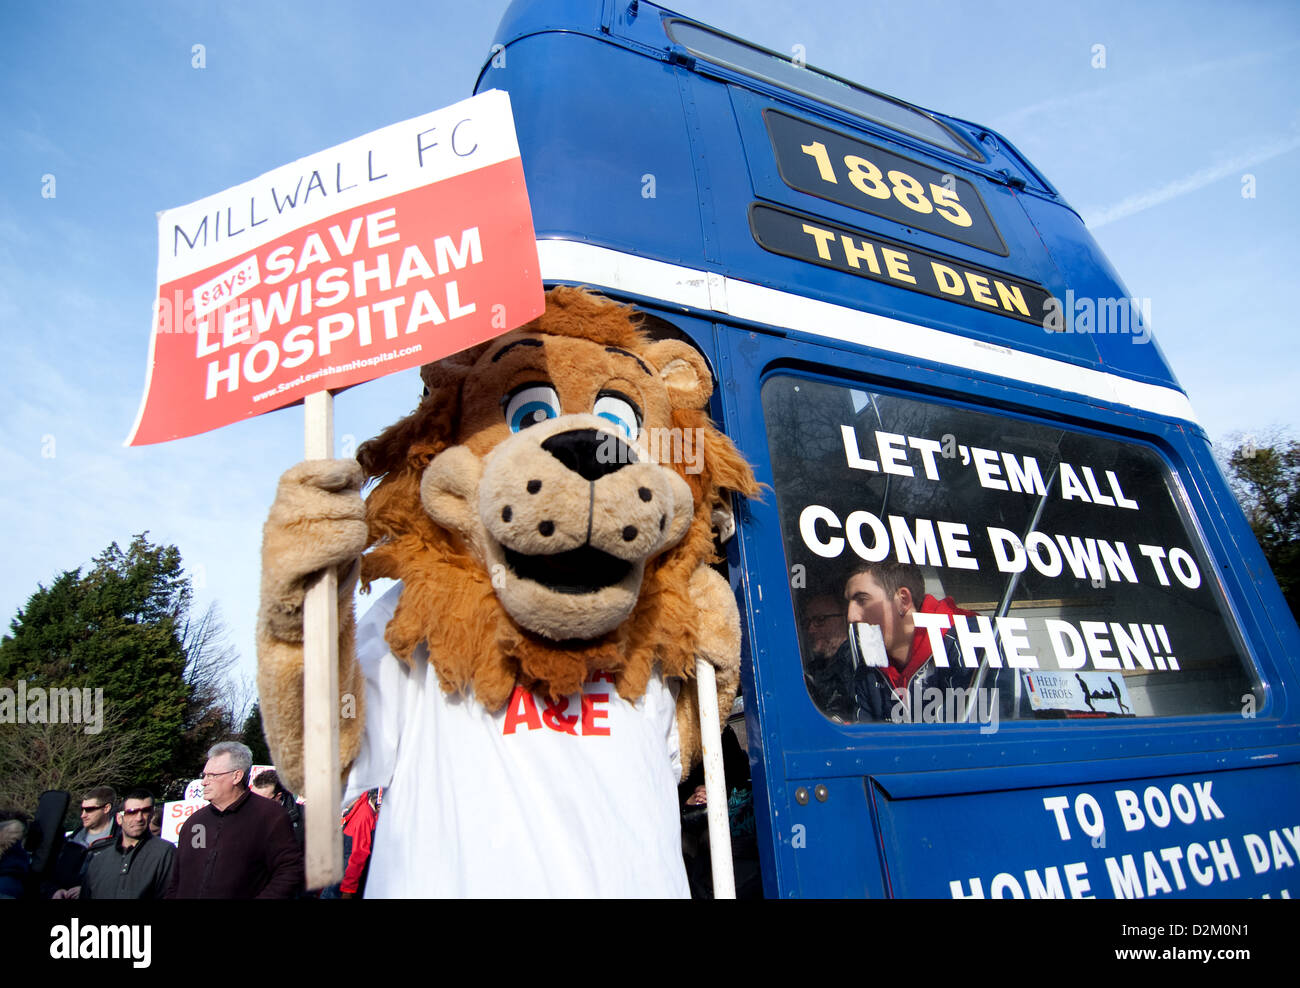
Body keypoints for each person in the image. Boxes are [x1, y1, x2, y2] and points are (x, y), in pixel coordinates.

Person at [844, 561, 980, 722]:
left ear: (903, 600)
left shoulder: (971, 643)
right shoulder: (867, 665)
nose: (851, 616)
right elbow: (863, 734)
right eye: (848, 603)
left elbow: (984, 729)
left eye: (862, 600)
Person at [166, 741, 304, 898]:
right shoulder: (196, 822)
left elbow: (289, 871)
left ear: (236, 776)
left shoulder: (269, 816)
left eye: (212, 775)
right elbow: (177, 879)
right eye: (204, 775)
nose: (204, 782)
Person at [82, 789, 174, 899]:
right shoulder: (99, 860)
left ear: (151, 814)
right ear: (119, 818)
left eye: (145, 811)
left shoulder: (165, 852)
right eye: (131, 812)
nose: (139, 818)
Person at [800, 592, 854, 720]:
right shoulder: (811, 670)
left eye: (820, 620)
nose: (811, 630)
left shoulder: (854, 664)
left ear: (844, 618)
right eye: (807, 623)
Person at [251, 769, 305, 846]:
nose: (256, 804)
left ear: (278, 797)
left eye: (262, 800)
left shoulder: (304, 817)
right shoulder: (245, 814)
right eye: (253, 798)